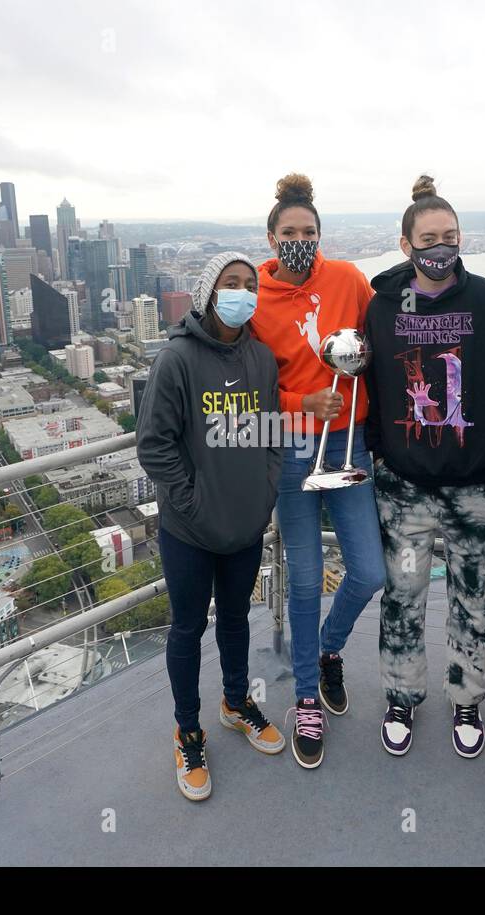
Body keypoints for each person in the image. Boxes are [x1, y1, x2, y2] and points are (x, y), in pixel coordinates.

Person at [362, 175, 485, 758]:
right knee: (402, 597)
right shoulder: (382, 308)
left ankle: (466, 700)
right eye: (429, 237)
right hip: (405, 493)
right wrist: (384, 454)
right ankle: (401, 696)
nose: (441, 246)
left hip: (476, 489)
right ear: (406, 244)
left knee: (473, 602)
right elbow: (374, 390)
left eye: (450, 235)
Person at [136, 251, 285, 801]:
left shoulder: (263, 360)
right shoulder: (176, 360)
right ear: (208, 291)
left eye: (250, 284)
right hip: (191, 531)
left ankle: (236, 701)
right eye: (231, 283)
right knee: (186, 628)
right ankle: (188, 729)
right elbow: (153, 445)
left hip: (246, 524)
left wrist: (265, 490)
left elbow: (271, 433)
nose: (243, 292)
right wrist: (192, 501)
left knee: (238, 619)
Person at [250, 173, 386, 769]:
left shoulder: (348, 280)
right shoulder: (252, 293)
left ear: (319, 234)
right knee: (304, 580)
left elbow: (382, 339)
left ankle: (329, 650)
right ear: (272, 237)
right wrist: (298, 405)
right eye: (288, 232)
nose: (299, 240)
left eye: (308, 231)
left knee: (370, 571)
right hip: (291, 447)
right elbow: (245, 389)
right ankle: (305, 693)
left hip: (348, 443)